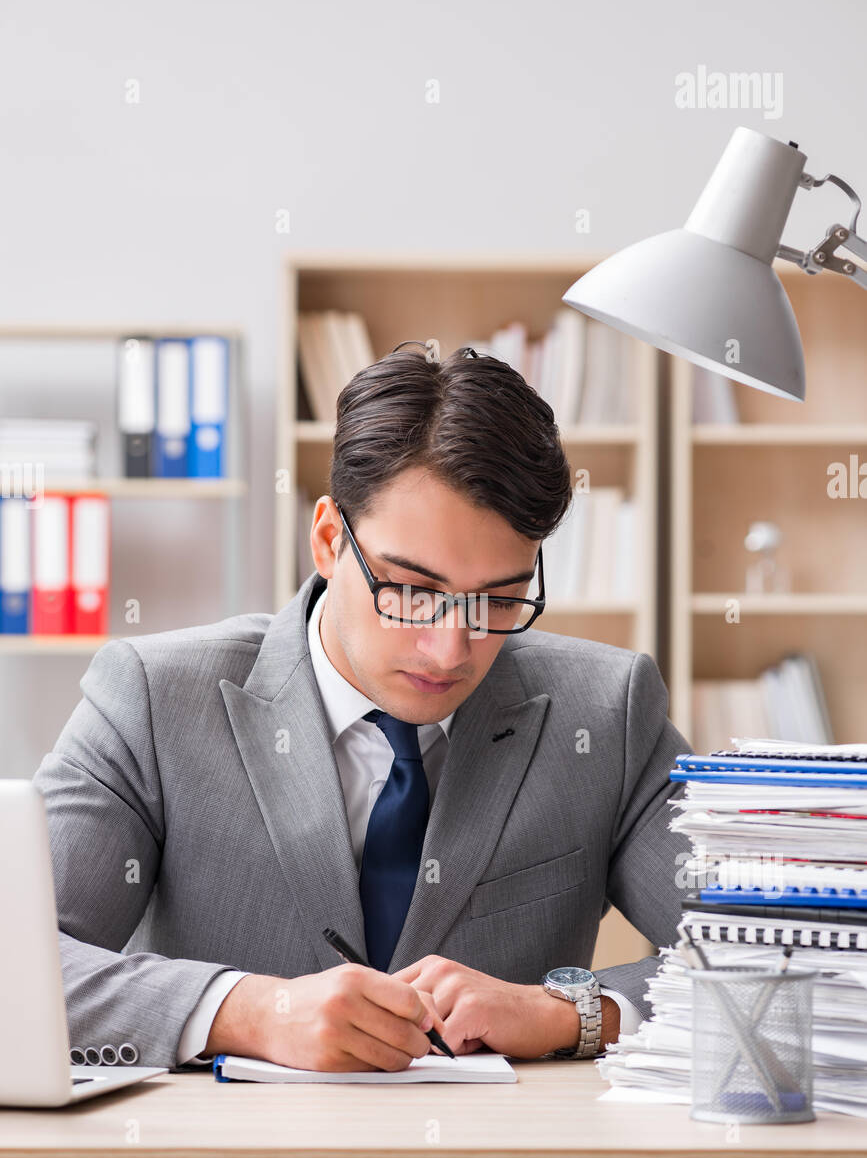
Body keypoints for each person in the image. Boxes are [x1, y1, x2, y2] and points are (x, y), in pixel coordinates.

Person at [33, 342, 692, 1072]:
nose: (450, 650)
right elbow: (19, 965)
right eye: (410, 590)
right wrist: (248, 1010)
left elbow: (774, 956)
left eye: (498, 600)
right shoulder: (155, 700)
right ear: (325, 541)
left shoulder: (605, 713)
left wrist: (567, 1012)